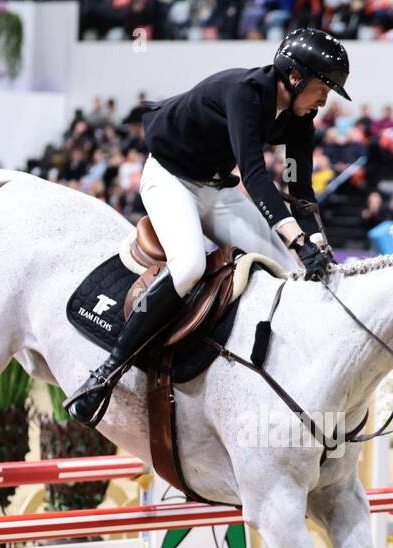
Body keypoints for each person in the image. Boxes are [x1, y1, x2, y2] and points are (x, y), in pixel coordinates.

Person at [70, 27, 347, 424]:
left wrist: (316, 244)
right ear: (295, 76)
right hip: (169, 178)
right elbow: (254, 175)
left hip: (216, 189)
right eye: (323, 87)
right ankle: (108, 370)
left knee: (290, 267)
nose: (325, 98)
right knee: (189, 267)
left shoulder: (302, 119)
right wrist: (296, 237)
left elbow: (299, 189)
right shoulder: (246, 93)